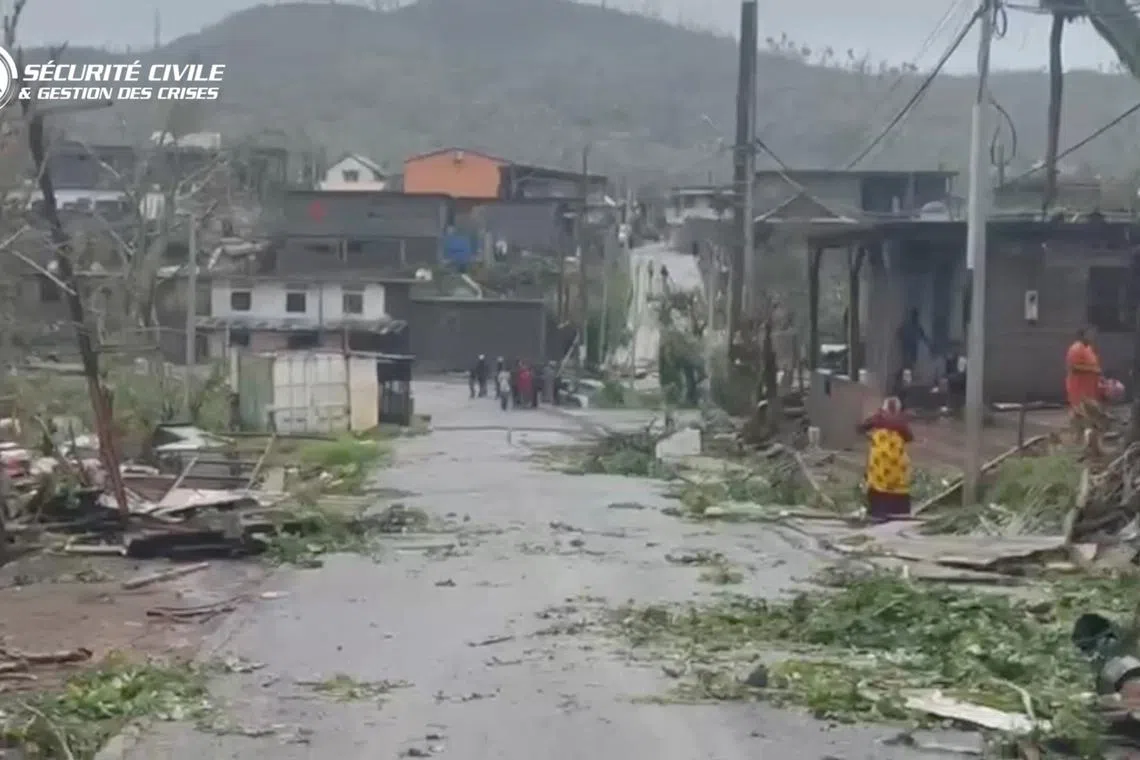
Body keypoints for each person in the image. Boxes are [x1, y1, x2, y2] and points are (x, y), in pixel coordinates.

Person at [857, 397, 914, 523]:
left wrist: (868, 434)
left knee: (877, 482)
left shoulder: (878, 418)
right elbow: (909, 437)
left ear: (884, 407)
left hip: (880, 459)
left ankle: (878, 512)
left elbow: (862, 427)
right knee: (898, 483)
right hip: (896, 461)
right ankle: (899, 512)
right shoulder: (901, 422)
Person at [1066, 326, 1105, 444]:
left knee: (1090, 417)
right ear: (1083, 335)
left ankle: (1087, 442)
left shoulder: (1088, 348)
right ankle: (1077, 441)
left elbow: (1094, 366)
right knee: (1080, 415)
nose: (1093, 336)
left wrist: (1098, 375)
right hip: (1079, 390)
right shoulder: (1076, 348)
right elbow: (1073, 367)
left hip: (1090, 389)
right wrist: (1092, 370)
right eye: (1090, 334)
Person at [897, 308, 928, 374]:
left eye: (916, 316)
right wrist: (903, 338)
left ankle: (908, 377)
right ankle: (907, 378)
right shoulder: (908, 325)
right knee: (907, 362)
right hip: (908, 345)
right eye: (915, 315)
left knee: (911, 362)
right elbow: (899, 332)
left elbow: (923, 335)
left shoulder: (917, 326)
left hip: (913, 346)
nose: (916, 317)